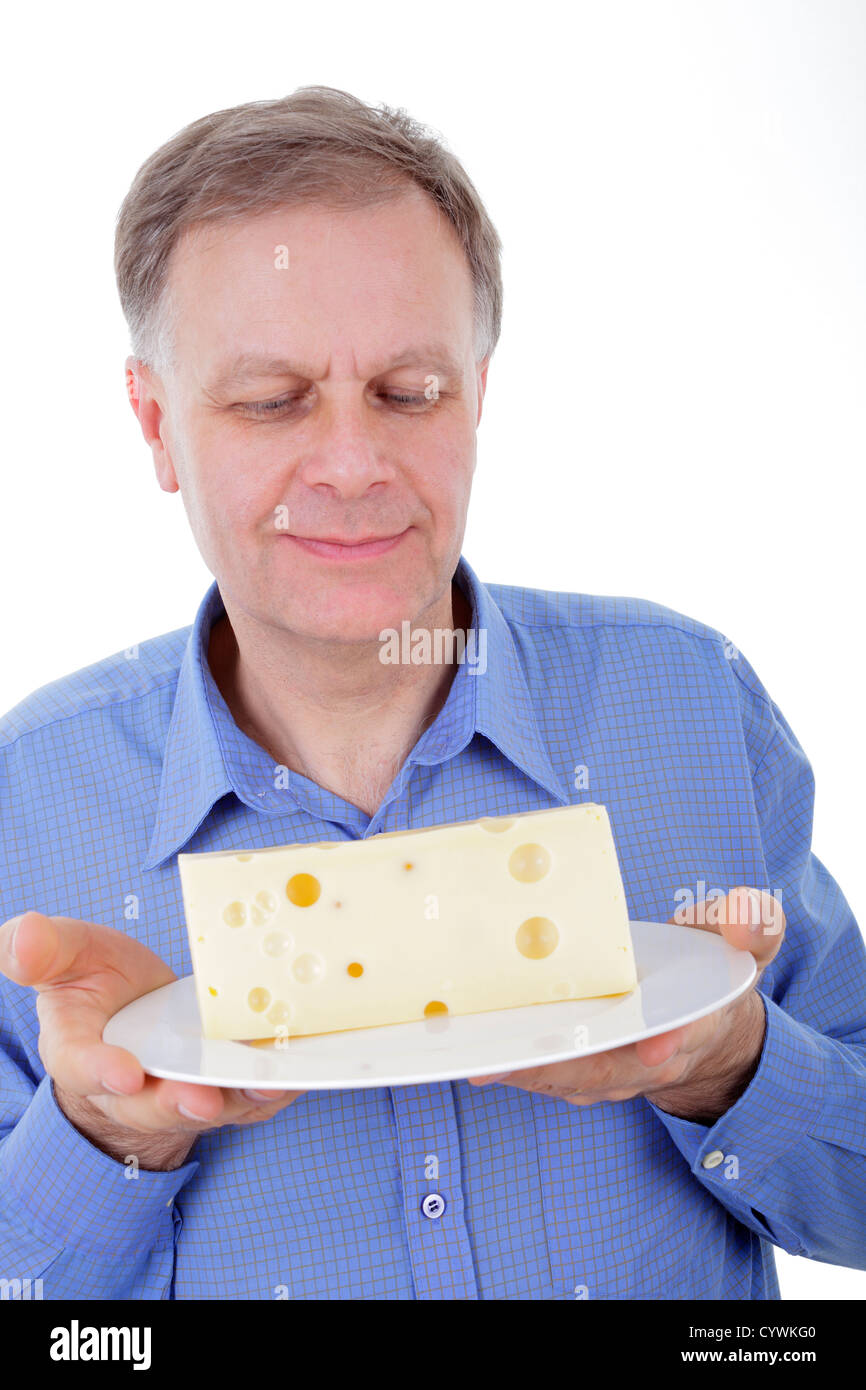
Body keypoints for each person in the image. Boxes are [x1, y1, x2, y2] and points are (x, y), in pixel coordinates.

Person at [0, 86, 863, 1301]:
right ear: (153, 424)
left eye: (408, 391)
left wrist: (735, 1068)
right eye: (269, 400)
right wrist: (104, 1140)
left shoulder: (690, 702)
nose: (352, 465)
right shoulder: (26, 797)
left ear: (478, 394)